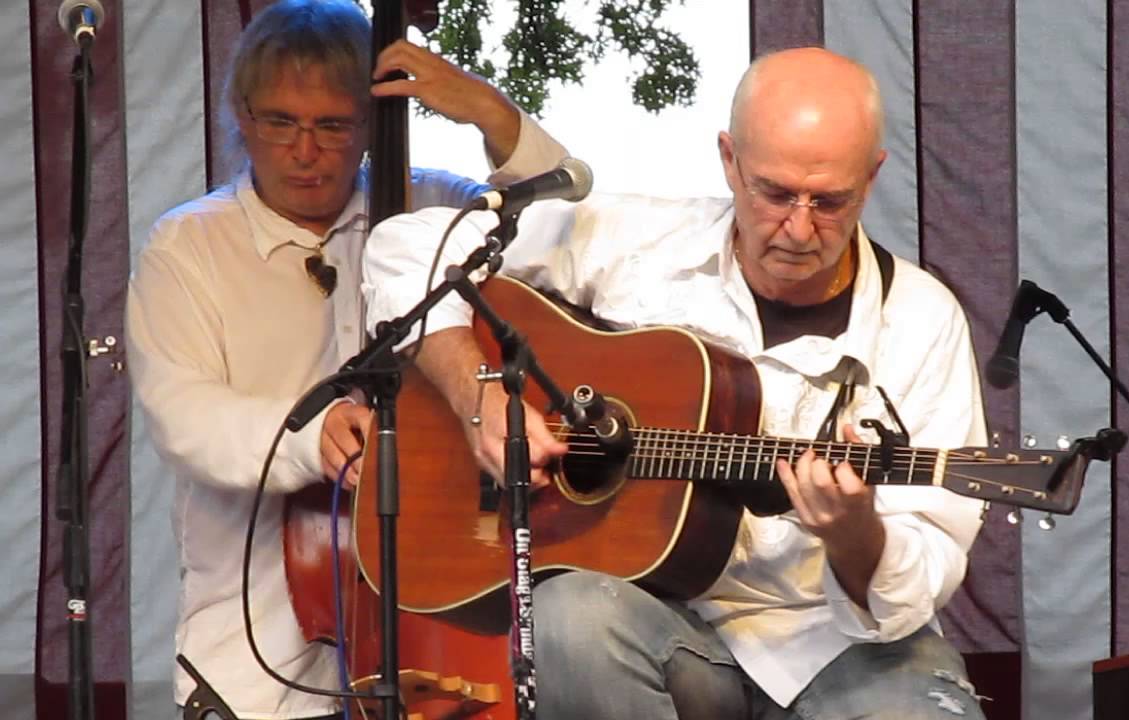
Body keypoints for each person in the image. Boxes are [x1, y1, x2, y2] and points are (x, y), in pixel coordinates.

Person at [362, 47, 988, 719]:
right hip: (660, 621)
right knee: (568, 618)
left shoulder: (922, 319)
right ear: (728, 159)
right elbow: (411, 248)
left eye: (830, 201)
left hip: (838, 646)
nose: (801, 229)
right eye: (774, 192)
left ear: (872, 177)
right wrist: (477, 397)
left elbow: (924, 566)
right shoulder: (641, 239)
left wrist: (856, 535)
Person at [124, 0, 569, 717]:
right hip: (257, 652)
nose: (305, 151)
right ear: (242, 115)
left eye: (333, 125)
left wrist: (492, 115)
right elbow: (185, 416)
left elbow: (562, 218)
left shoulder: (429, 206)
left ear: (371, 124)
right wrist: (311, 433)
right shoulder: (187, 248)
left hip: (440, 640)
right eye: (280, 122)